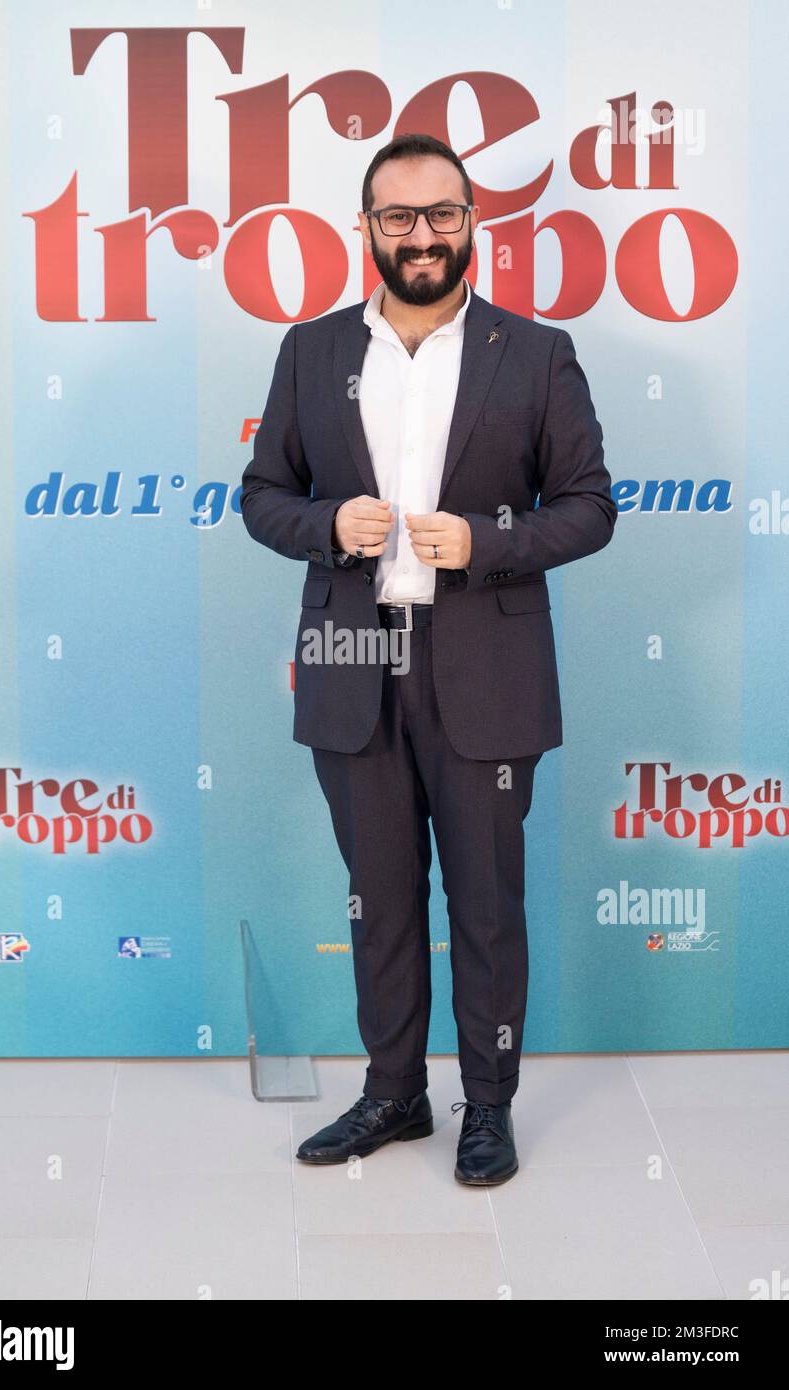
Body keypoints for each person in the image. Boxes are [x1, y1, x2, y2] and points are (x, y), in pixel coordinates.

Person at [240, 132, 617, 1185]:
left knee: (487, 902)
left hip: (483, 675)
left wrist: (488, 542)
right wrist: (328, 525)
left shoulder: (535, 352)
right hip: (353, 662)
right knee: (381, 892)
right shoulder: (310, 351)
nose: (420, 236)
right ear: (365, 229)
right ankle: (392, 1092)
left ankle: (484, 1107)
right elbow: (260, 496)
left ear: (471, 225)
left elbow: (589, 507)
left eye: (441, 214)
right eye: (397, 217)